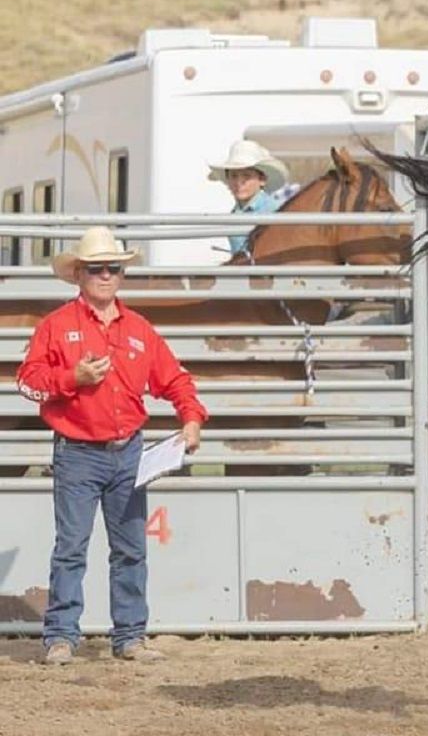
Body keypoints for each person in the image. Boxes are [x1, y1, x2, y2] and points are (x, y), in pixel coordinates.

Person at [16, 227, 207, 665]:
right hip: (78, 452)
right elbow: (27, 383)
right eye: (97, 268)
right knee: (72, 547)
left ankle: (129, 636)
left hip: (128, 453)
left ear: (121, 274)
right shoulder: (56, 326)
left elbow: (175, 379)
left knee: (130, 548)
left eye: (113, 268)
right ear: (79, 274)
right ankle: (62, 636)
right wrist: (72, 380)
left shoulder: (139, 329)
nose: (106, 275)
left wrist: (191, 417)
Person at [208, 139, 289, 256]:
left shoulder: (276, 210)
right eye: (234, 176)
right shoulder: (235, 213)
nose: (239, 182)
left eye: (246, 176)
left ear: (262, 180)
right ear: (228, 180)